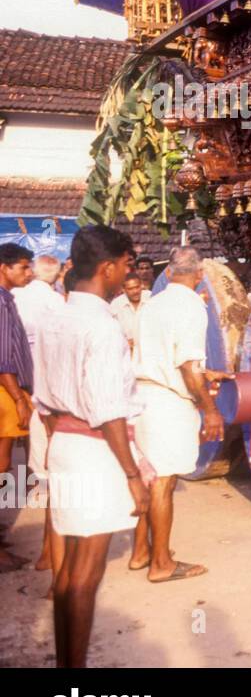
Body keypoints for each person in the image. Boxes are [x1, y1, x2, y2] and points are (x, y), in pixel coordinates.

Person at [33, 226, 146, 667]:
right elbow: (107, 411)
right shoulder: (101, 326)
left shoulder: (55, 317)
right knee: (86, 570)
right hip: (96, 448)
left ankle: (67, 663)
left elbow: (44, 398)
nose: (128, 274)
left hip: (64, 441)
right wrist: (133, 476)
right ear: (108, 268)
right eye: (126, 265)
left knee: (70, 568)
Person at [128, 247, 225, 580]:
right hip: (167, 404)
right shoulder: (193, 307)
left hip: (142, 397)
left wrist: (203, 372)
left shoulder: (150, 305)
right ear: (200, 277)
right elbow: (186, 365)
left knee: (150, 476)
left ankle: (142, 552)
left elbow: (163, 356)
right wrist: (209, 410)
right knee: (163, 483)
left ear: (168, 273)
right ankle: (161, 565)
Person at [12, 254, 67, 583]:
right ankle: (54, 561)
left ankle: (48, 554)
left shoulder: (15, 297)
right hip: (48, 396)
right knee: (61, 486)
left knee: (46, 476)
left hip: (27, 386)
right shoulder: (55, 305)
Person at [0, 243, 35, 573]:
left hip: (7, 391)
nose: (30, 273)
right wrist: (20, 398)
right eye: (23, 267)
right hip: (4, 393)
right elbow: (3, 359)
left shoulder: (7, 299)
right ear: (4, 268)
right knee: (0, 469)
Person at [111, 272, 150, 356]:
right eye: (130, 288)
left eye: (137, 287)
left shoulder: (151, 298)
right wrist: (123, 342)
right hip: (128, 353)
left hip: (151, 350)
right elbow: (112, 333)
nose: (135, 291)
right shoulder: (116, 305)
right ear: (123, 290)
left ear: (141, 285)